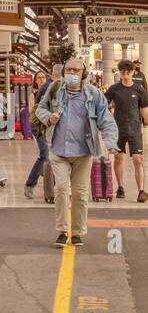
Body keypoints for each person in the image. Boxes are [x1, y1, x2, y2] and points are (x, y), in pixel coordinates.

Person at [35, 57, 118, 247]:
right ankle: (63, 231)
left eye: (76, 71)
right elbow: (40, 109)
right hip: (58, 151)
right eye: (69, 70)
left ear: (84, 74)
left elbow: (106, 119)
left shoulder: (93, 94)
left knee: (80, 194)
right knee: (62, 189)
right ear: (64, 72)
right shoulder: (55, 90)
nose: (72, 74)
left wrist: (111, 142)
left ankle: (78, 232)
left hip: (84, 152)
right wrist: (49, 118)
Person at [106, 60, 148, 202]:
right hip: (118, 129)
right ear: (120, 72)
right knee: (119, 158)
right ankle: (121, 187)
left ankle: (141, 191)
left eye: (128, 71)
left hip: (135, 129)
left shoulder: (140, 90)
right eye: (122, 71)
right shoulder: (113, 89)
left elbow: (144, 108)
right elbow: (103, 104)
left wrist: (147, 120)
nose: (125, 74)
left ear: (133, 72)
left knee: (138, 159)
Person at [24, 70, 52, 196]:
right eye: (39, 78)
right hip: (38, 128)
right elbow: (32, 112)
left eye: (43, 77)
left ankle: (46, 175)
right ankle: (30, 184)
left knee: (51, 157)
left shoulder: (50, 92)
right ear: (35, 81)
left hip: (50, 127)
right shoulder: (33, 95)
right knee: (44, 154)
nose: (41, 79)